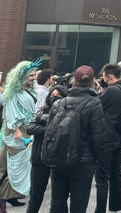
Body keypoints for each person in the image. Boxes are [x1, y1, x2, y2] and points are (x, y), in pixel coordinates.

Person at [48, 66, 107, 213]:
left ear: (74, 80)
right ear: (93, 82)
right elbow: (97, 138)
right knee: (78, 205)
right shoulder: (94, 103)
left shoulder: (58, 103)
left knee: (57, 203)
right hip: (83, 162)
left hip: (59, 159)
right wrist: (99, 159)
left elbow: (49, 133)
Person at [0, 61, 39, 211]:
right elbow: (10, 113)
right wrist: (16, 130)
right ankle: (2, 198)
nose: (34, 77)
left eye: (35, 74)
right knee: (14, 166)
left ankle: (10, 197)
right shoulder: (13, 92)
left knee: (20, 166)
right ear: (22, 75)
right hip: (17, 132)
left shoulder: (30, 90)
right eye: (31, 75)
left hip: (28, 130)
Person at [94, 64, 121, 213]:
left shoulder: (111, 91)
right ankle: (115, 207)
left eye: (103, 77)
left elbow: (96, 104)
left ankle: (100, 209)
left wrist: (100, 92)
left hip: (107, 137)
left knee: (102, 177)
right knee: (115, 173)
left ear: (109, 77)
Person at [26, 85, 66, 213]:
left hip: (57, 160)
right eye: (52, 95)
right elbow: (30, 127)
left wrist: (45, 126)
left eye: (58, 96)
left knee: (59, 199)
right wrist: (50, 129)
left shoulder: (68, 113)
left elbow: (65, 131)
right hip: (39, 158)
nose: (54, 98)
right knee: (35, 197)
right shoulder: (42, 111)